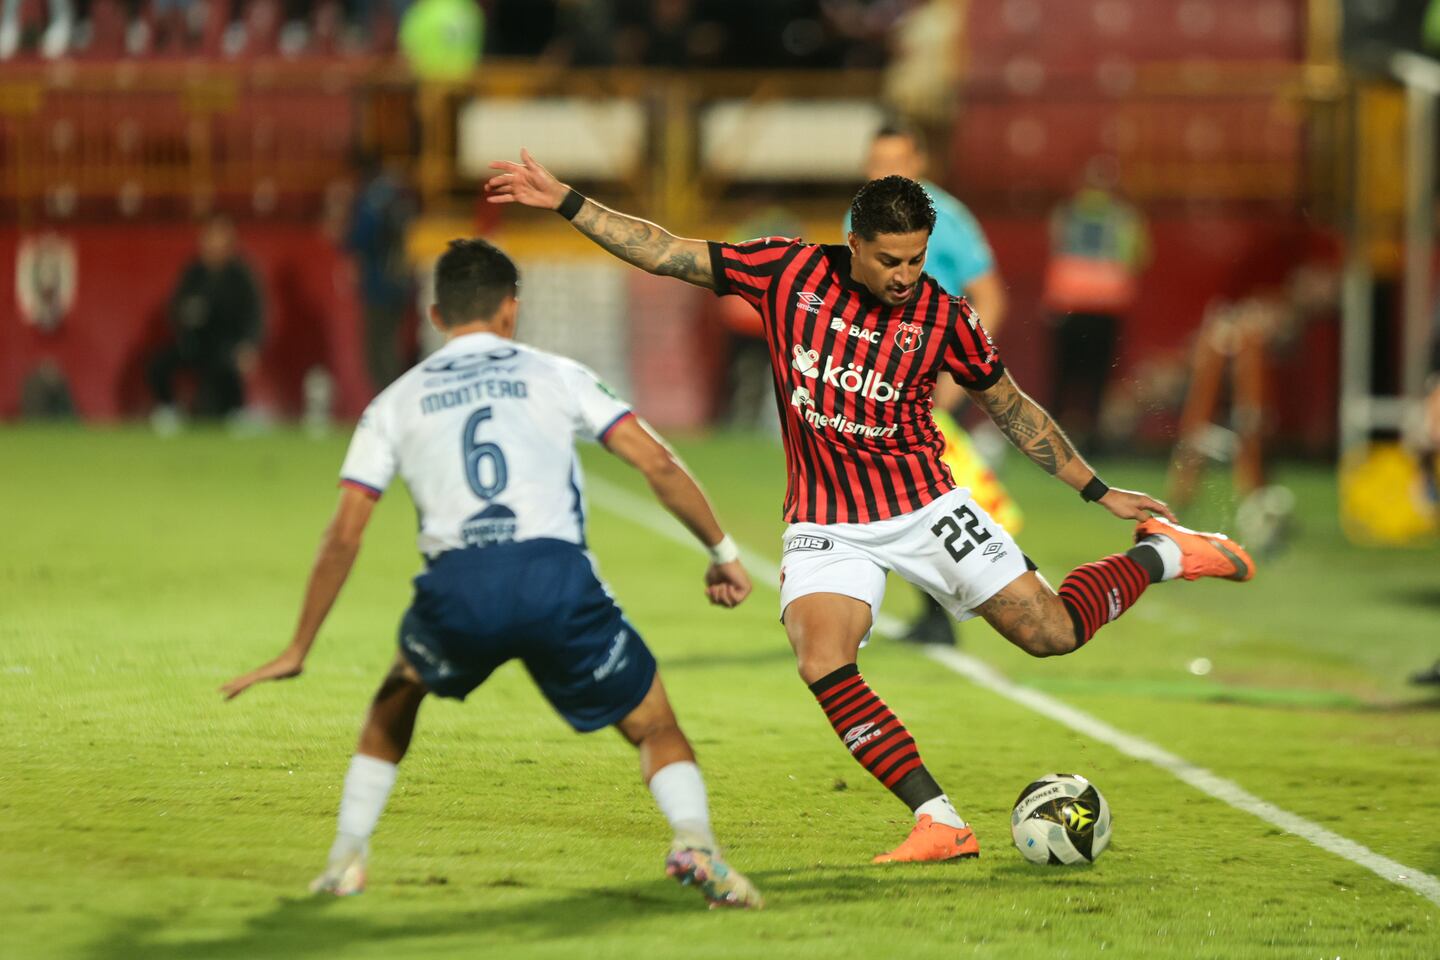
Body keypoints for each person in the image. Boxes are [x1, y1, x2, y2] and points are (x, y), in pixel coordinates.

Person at [486, 150, 1256, 864]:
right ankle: (939, 820)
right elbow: (662, 248)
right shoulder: (785, 272)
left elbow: (1014, 408)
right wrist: (566, 202)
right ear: (853, 242)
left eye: (916, 259)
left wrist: (1097, 489)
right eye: (890, 259)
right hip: (826, 522)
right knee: (821, 657)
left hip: (926, 505)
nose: (905, 274)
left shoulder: (946, 317)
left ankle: (1164, 552)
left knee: (1050, 634)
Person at [220, 238, 763, 909]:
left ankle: (345, 859)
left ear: (435, 314)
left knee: (396, 697)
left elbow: (344, 533)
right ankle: (695, 842)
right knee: (654, 726)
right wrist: (722, 550)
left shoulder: (393, 402)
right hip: (555, 580)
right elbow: (656, 464)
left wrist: (299, 646)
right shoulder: (556, 374)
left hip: (459, 587)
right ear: (511, 310)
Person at [847, 119, 1021, 646]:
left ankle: (992, 585)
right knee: (896, 492)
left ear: (919, 164)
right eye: (877, 163)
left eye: (895, 162)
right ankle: (934, 610)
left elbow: (990, 297)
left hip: (925, 376)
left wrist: (957, 368)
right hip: (879, 378)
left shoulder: (949, 217)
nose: (884, 173)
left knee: (923, 492)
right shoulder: (858, 217)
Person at [1044, 157, 1150, 455]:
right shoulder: (1125, 217)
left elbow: (1056, 243)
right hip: (1107, 308)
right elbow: (1139, 256)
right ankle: (1093, 444)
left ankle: (1051, 443)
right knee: (1098, 381)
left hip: (1068, 305)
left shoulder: (1067, 212)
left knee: (1063, 379)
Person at [147, 216, 263, 428]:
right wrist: (186, 317)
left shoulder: (240, 275)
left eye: (220, 237)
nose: (213, 243)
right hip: (195, 343)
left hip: (227, 345)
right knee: (158, 364)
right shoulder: (194, 272)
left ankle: (236, 412)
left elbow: (255, 315)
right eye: (210, 237)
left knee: (229, 366)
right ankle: (169, 409)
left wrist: (249, 345)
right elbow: (176, 308)